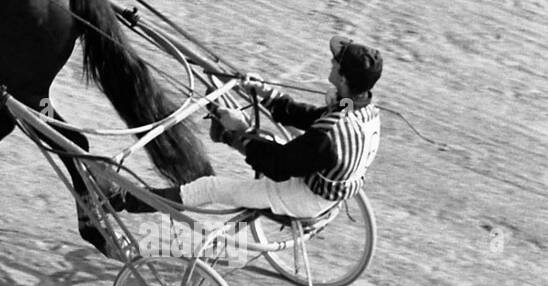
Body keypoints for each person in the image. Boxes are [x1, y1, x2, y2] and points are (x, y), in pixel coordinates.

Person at [111, 35, 383, 220]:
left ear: (344, 77)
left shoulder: (329, 136)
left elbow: (277, 168)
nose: (332, 62)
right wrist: (267, 94)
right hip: (323, 176)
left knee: (209, 188)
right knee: (266, 139)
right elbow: (309, 116)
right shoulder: (359, 108)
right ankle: (227, 134)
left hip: (305, 196)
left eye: (336, 62)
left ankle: (124, 200)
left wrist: (239, 132)